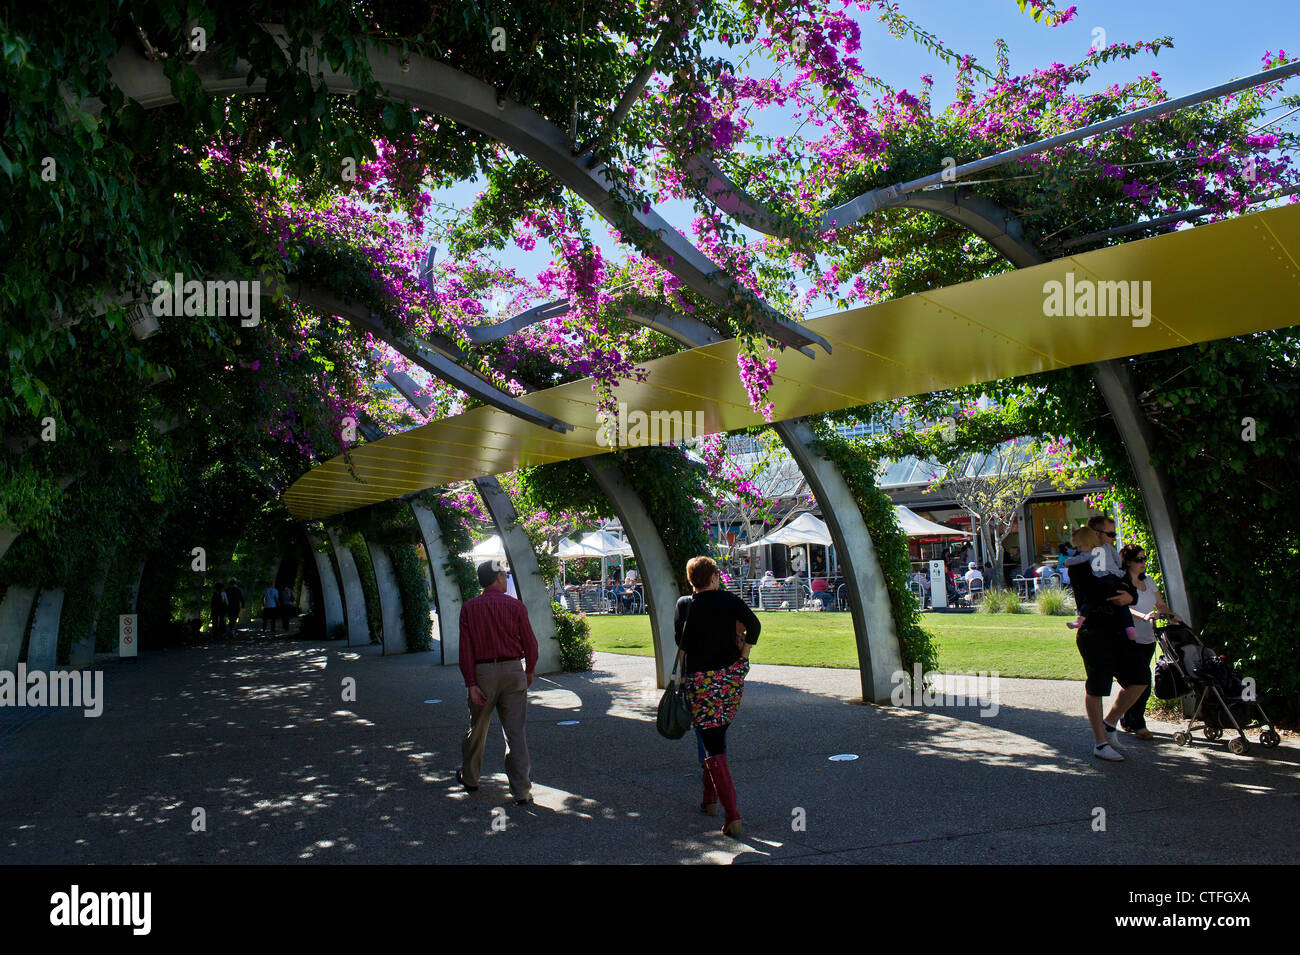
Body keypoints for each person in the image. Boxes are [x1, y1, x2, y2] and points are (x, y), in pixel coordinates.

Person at [675, 556, 760, 837]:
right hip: (729, 680)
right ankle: (709, 800)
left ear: (691, 581)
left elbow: (681, 643)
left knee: (711, 742)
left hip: (700, 682)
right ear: (713, 577)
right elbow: (755, 626)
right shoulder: (729, 601)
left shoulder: (686, 606)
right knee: (716, 735)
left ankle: (732, 814)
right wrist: (743, 654)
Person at [456, 559, 538, 805]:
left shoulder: (469, 609)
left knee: (477, 728)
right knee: (515, 733)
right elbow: (531, 644)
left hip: (483, 673)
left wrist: (471, 683)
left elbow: (465, 650)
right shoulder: (516, 607)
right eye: (504, 575)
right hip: (513, 669)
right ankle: (521, 790)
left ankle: (470, 778)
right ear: (497, 578)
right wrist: (530, 669)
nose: (506, 579)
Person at [1068, 526, 1144, 760]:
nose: (1113, 539)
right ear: (1096, 535)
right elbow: (1094, 591)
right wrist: (1120, 589)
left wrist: (1130, 596)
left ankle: (1109, 725)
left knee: (1140, 679)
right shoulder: (1080, 564)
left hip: (1119, 630)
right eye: (1110, 534)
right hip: (1095, 631)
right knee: (1098, 686)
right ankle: (1100, 743)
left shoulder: (1109, 559)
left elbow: (1132, 588)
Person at [1118, 544, 1181, 740]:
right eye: (1139, 560)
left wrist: (1170, 615)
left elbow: (1159, 604)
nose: (1143, 563)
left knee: (1136, 682)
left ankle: (1126, 717)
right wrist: (1144, 616)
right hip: (1130, 639)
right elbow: (1125, 608)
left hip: (1147, 639)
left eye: (1144, 559)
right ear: (1128, 562)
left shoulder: (1149, 581)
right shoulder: (1123, 582)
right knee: (1142, 681)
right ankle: (1138, 723)